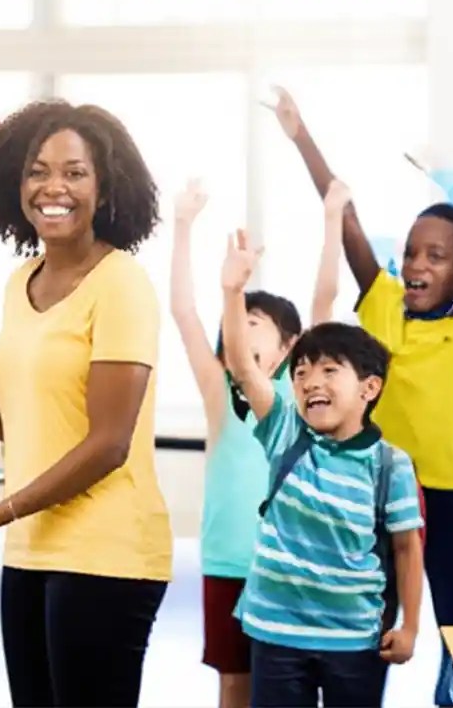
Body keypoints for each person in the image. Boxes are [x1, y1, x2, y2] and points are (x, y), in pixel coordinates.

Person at [0, 98, 169, 707]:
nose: (54, 186)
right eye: (37, 170)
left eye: (75, 172)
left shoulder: (122, 283)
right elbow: (17, 424)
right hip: (31, 547)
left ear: (105, 189)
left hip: (108, 552)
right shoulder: (18, 282)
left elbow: (108, 443)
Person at [271, 85, 453, 707]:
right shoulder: (384, 300)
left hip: (446, 497)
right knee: (367, 623)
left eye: (436, 257)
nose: (416, 263)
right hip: (373, 495)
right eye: (411, 251)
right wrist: (299, 134)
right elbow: (349, 218)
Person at [220, 228, 425, 707]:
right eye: (302, 372)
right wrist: (232, 291)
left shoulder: (390, 464)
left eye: (329, 370)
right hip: (276, 632)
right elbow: (244, 367)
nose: (311, 381)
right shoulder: (285, 431)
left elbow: (406, 550)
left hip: (355, 639)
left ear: (369, 388)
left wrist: (410, 627)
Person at [169, 177, 346, 707]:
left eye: (255, 323)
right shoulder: (217, 388)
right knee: (233, 684)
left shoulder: (301, 393)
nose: (239, 330)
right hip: (229, 562)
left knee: (291, 685)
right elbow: (184, 312)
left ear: (290, 347)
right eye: (237, 321)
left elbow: (325, 297)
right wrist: (181, 225)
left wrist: (333, 218)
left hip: (293, 565)